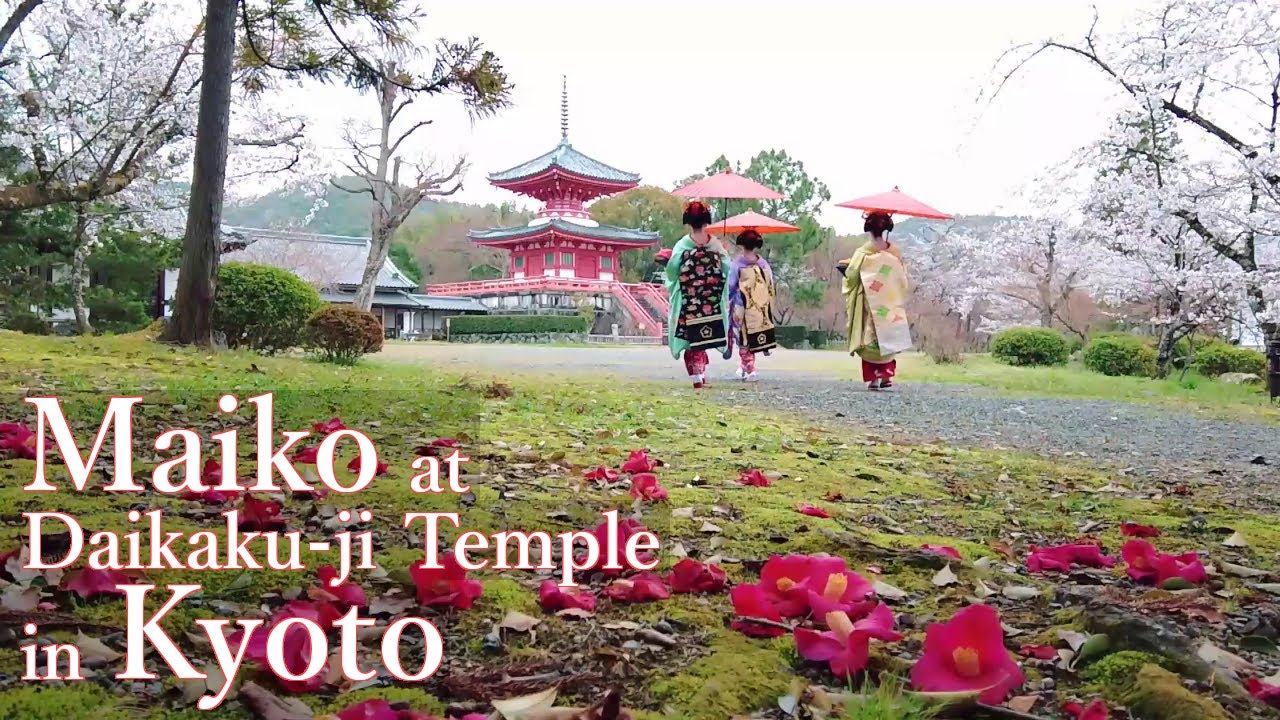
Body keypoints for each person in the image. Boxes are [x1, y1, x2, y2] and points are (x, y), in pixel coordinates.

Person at [838, 212, 912, 390]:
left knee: (870, 337)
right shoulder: (894, 252)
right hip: (888, 300)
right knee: (888, 335)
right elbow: (902, 279)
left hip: (868, 302)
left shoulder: (863, 252)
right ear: (887, 228)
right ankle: (886, 377)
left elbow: (852, 276)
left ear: (868, 229)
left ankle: (874, 379)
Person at [664, 201, 732, 388]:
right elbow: (728, 268)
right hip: (710, 297)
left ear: (688, 221)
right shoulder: (715, 244)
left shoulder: (682, 244)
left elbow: (672, 270)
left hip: (689, 297)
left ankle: (696, 373)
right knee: (705, 334)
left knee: (690, 336)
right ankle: (700, 370)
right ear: (706, 220)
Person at [727, 229, 777, 382]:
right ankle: (743, 367)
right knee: (753, 336)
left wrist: (728, 300)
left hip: (741, 306)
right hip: (759, 307)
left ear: (742, 245)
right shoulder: (763, 264)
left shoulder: (737, 264)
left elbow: (730, 285)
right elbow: (770, 283)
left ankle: (750, 368)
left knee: (743, 339)